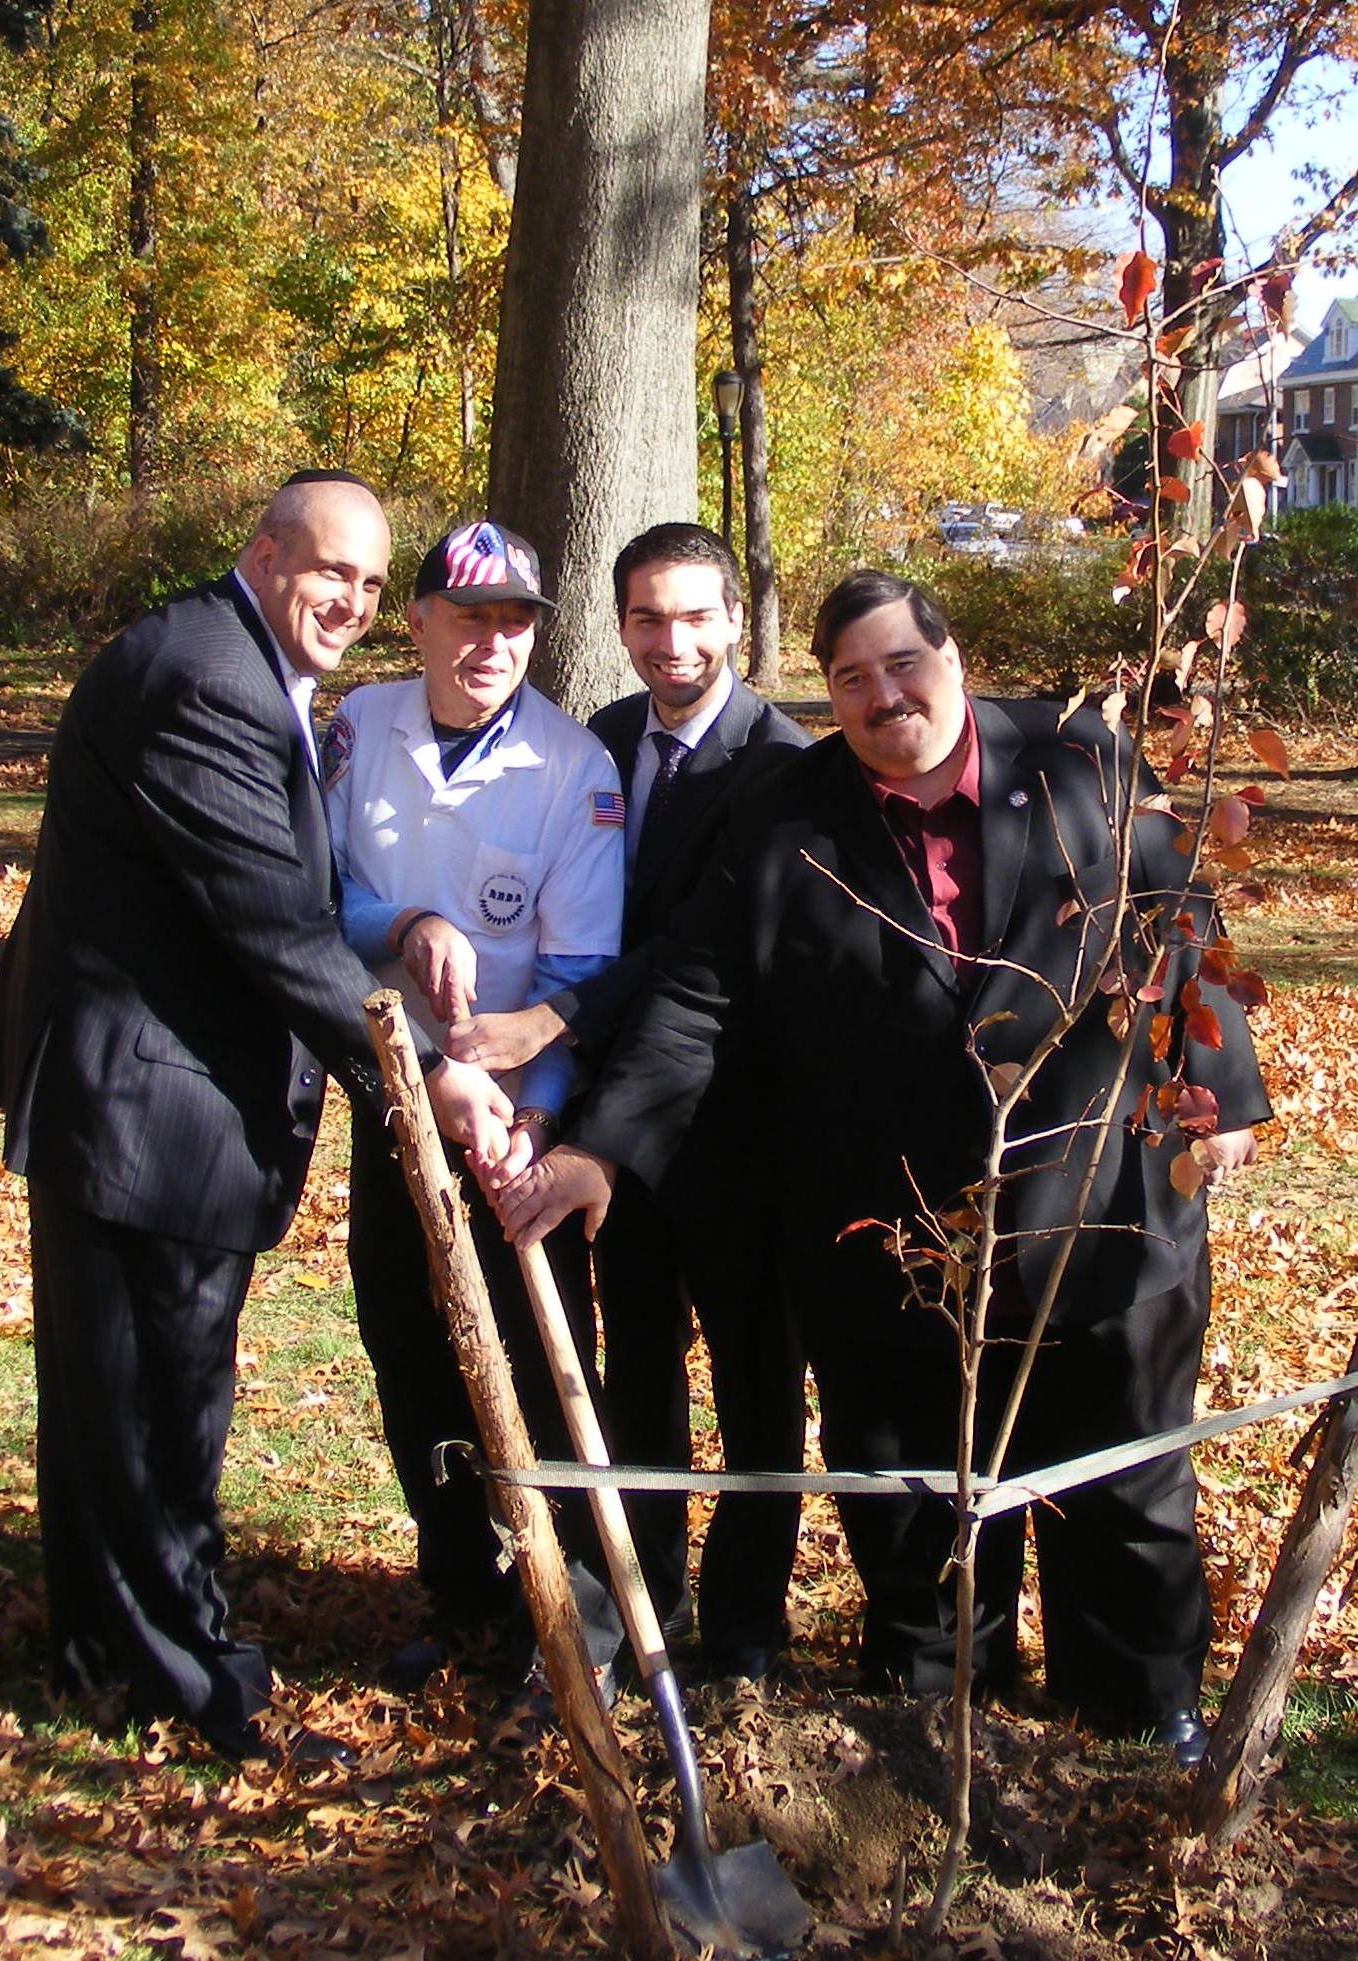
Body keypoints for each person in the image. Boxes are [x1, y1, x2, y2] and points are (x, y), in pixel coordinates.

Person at [495, 568, 1270, 1767]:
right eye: (849, 677)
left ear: (949, 657)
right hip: (888, 1215)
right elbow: (697, 995)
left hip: (1099, 1191)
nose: (879, 693)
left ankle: (1138, 1705)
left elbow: (1183, 916)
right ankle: (939, 1701)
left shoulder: (1077, 759)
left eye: (899, 663)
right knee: (909, 1488)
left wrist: (1223, 1089)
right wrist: (602, 1148)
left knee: (1122, 1474)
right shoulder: (785, 815)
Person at [0, 474, 514, 1764]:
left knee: (155, 1391)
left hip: (173, 1097)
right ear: (264, 553)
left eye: (374, 588)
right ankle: (166, 1676)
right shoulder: (202, 675)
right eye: (332, 572)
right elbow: (273, 920)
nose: (352, 604)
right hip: (145, 1099)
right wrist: (419, 1073)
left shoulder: (237, 663)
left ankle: (128, 1643)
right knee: (144, 1399)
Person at [451, 522, 809, 1678]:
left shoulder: (785, 764)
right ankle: (637, 1607)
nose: (673, 640)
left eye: (696, 614)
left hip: (737, 1127)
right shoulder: (598, 746)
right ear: (617, 626)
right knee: (632, 1374)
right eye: (648, 617)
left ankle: (746, 1625)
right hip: (615, 1131)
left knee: (758, 1387)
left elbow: (697, 949)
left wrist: (557, 1026)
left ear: (735, 621)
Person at [323, 519, 626, 1683]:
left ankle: (572, 1620)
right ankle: (459, 1592)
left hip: (512, 1124)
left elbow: (579, 971)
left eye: (515, 620)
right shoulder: (360, 728)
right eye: (469, 615)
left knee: (543, 1368)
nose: (492, 641)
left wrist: (529, 1114)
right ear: (418, 620)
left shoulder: (572, 769)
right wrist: (401, 925)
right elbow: (323, 891)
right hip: (393, 1094)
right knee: (410, 1344)